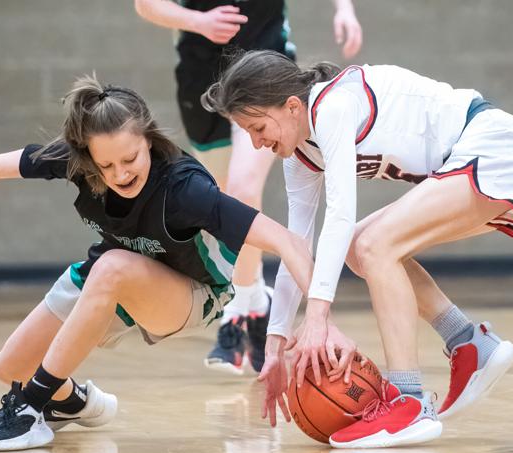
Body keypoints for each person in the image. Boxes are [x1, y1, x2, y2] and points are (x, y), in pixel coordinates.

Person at [0, 74, 325, 452]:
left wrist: (317, 324)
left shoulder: (185, 189)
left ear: (148, 140)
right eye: (108, 166)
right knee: (10, 366)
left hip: (190, 293)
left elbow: (288, 242)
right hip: (112, 273)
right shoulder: (77, 161)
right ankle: (75, 402)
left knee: (113, 268)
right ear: (88, 159)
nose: (121, 173)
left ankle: (30, 410)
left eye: (131, 158)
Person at [202, 50, 513, 448]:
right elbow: (295, 247)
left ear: (292, 106)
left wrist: (318, 316)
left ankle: (409, 402)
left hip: (500, 150)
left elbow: (340, 212)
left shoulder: (332, 105)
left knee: (373, 243)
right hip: (486, 160)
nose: (256, 142)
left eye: (258, 127)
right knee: (360, 248)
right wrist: (275, 345)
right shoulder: (300, 153)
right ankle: (468, 342)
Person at [134, 0, 363, 375]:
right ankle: (256, 299)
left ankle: (237, 311)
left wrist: (345, 10)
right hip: (200, 71)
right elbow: (146, 5)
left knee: (242, 188)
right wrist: (197, 20)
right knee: (221, 205)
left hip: (263, 69)